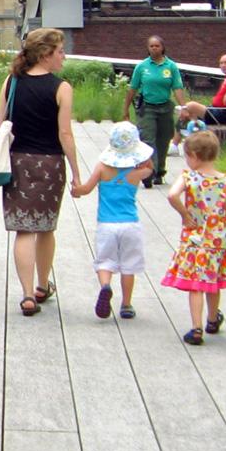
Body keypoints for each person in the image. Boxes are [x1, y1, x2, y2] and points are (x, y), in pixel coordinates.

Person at [0, 27, 82, 317]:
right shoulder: (62, 88)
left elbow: (1, 125)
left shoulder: (12, 82)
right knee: (46, 227)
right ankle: (43, 286)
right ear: (46, 54)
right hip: (49, 164)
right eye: (60, 51)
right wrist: (77, 173)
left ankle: (26, 294)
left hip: (17, 161)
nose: (63, 56)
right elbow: (65, 134)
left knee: (24, 229)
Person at [162, 129, 226, 345]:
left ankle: (196, 329)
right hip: (216, 244)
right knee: (211, 282)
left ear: (194, 156)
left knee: (196, 285)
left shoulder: (189, 178)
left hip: (194, 242)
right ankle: (213, 320)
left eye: (187, 156)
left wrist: (185, 215)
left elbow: (172, 195)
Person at [72, 121, 153, 320]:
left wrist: (76, 190)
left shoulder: (102, 168)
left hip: (106, 225)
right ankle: (126, 304)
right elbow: (150, 168)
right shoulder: (136, 173)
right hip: (130, 224)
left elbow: (86, 189)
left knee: (105, 262)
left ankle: (106, 286)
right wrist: (144, 160)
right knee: (129, 266)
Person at [123, 35, 187, 188]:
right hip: (147, 107)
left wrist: (184, 107)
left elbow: (177, 87)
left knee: (164, 139)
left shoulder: (170, 66)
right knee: (148, 139)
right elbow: (133, 88)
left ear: (162, 47)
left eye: (157, 46)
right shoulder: (142, 67)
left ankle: (160, 171)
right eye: (151, 46)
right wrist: (125, 109)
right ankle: (149, 173)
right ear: (148, 48)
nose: (154, 48)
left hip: (165, 106)